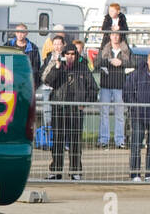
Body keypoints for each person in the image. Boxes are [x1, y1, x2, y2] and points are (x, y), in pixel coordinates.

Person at [42, 37, 98, 180]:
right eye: (67, 54)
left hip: (75, 110)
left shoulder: (83, 68)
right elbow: (47, 80)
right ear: (64, 54)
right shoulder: (58, 66)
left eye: (72, 54)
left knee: (75, 142)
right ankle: (55, 171)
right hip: (59, 108)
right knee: (58, 141)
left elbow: (93, 89)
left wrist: (84, 103)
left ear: (76, 55)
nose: (70, 57)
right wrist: (57, 68)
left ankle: (75, 172)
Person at [124, 51, 150, 181]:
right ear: (147, 61)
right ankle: (135, 174)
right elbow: (127, 92)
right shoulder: (137, 75)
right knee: (136, 145)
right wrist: (134, 107)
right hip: (138, 116)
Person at [96, 32, 132, 148]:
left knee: (119, 115)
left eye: (117, 35)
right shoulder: (104, 49)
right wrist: (109, 61)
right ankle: (103, 140)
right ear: (110, 36)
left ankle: (120, 140)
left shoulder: (126, 50)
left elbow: (133, 62)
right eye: (113, 35)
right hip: (105, 86)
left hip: (120, 86)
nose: (115, 37)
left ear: (120, 36)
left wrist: (121, 63)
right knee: (104, 113)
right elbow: (96, 63)